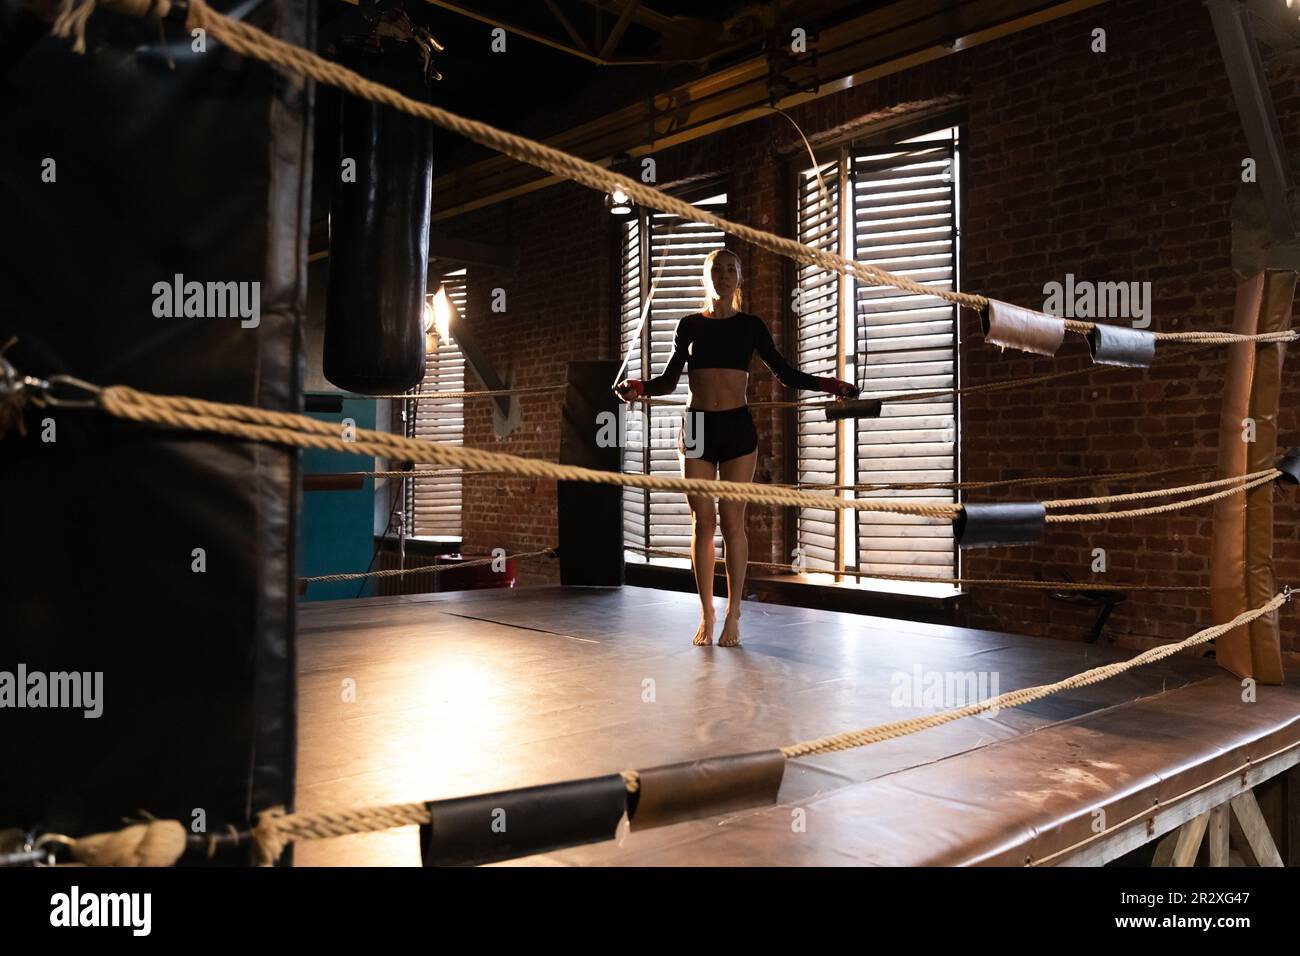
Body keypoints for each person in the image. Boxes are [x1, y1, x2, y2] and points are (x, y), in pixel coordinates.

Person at [614, 249, 857, 647]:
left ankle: (734, 613)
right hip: (696, 428)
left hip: (737, 428)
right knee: (702, 524)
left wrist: (831, 385)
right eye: (716, 270)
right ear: (706, 277)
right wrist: (638, 389)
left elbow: (786, 373)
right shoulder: (689, 325)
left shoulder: (751, 326)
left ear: (739, 279)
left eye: (731, 270)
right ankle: (707, 611)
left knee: (731, 523)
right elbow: (670, 381)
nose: (723, 276)